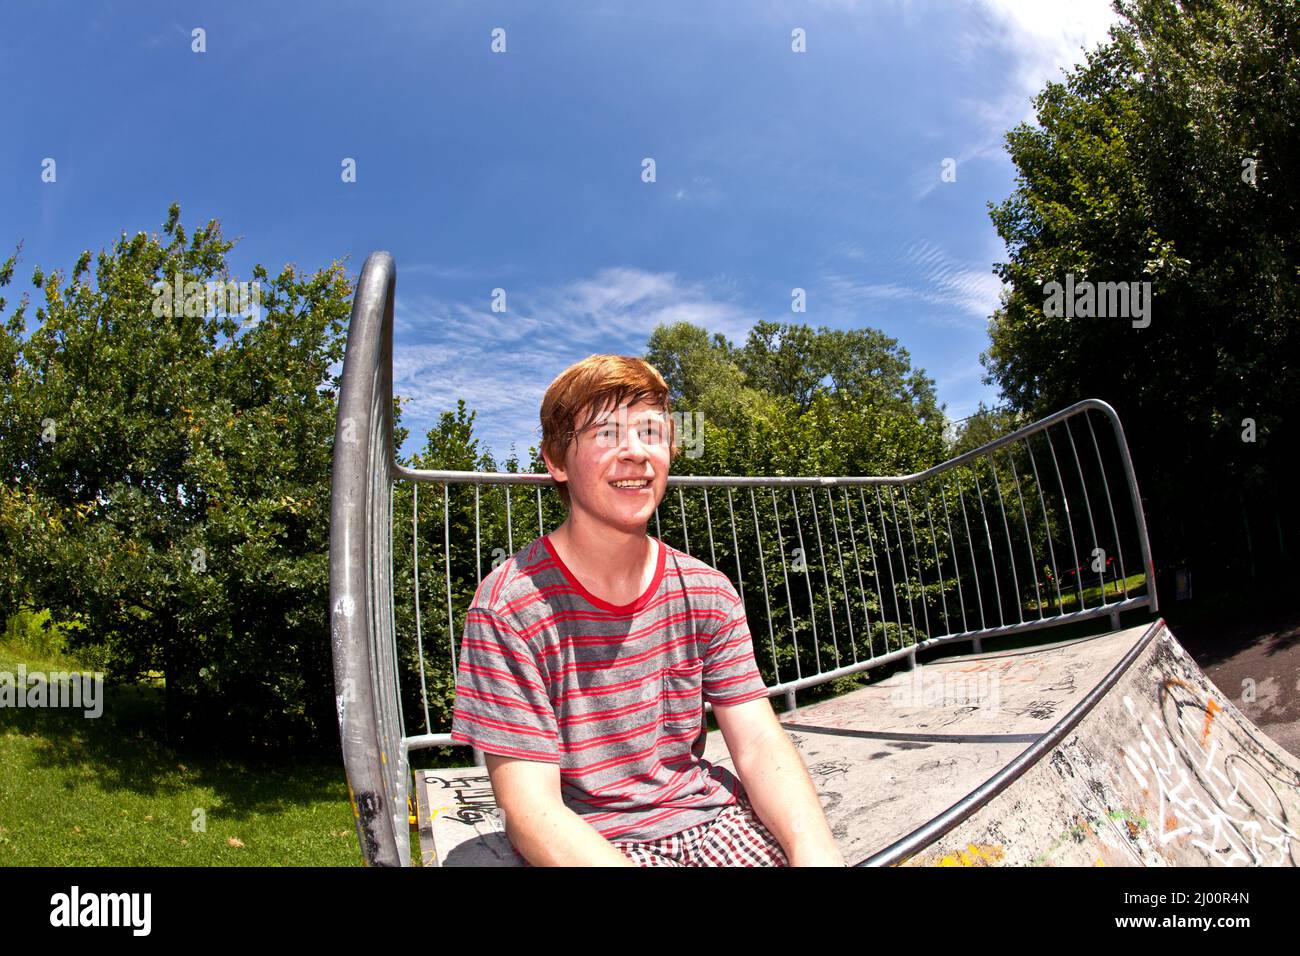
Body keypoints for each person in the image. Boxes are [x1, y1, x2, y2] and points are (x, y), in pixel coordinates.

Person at [450, 354, 845, 867]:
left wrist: (815, 850)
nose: (635, 453)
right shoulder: (508, 608)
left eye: (651, 432)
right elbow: (530, 809)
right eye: (605, 433)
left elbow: (758, 742)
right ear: (556, 461)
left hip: (711, 820)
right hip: (591, 843)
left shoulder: (707, 590)